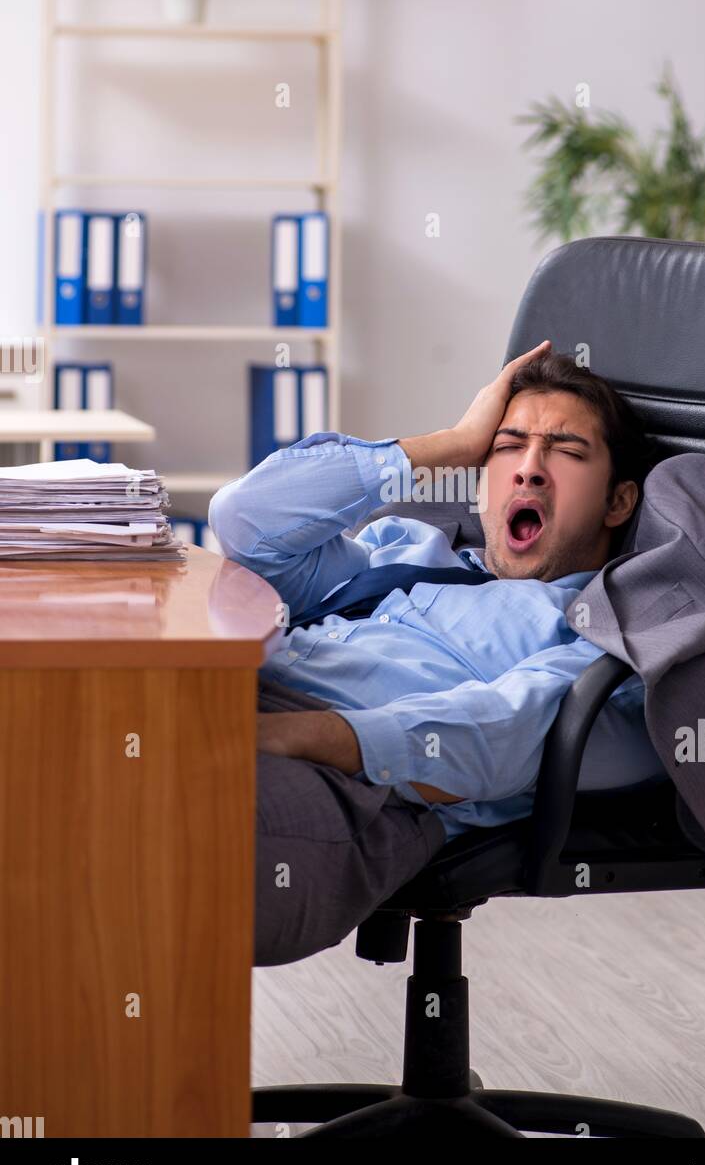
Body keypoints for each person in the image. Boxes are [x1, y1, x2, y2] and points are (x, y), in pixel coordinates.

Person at [208, 340, 668, 965]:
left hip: (350, 782)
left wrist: (287, 735)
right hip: (235, 696)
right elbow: (245, 519)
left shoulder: (594, 629)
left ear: (618, 500)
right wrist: (450, 443)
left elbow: (505, 734)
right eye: (508, 446)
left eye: (565, 451)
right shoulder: (407, 548)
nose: (530, 468)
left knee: (152, 830)